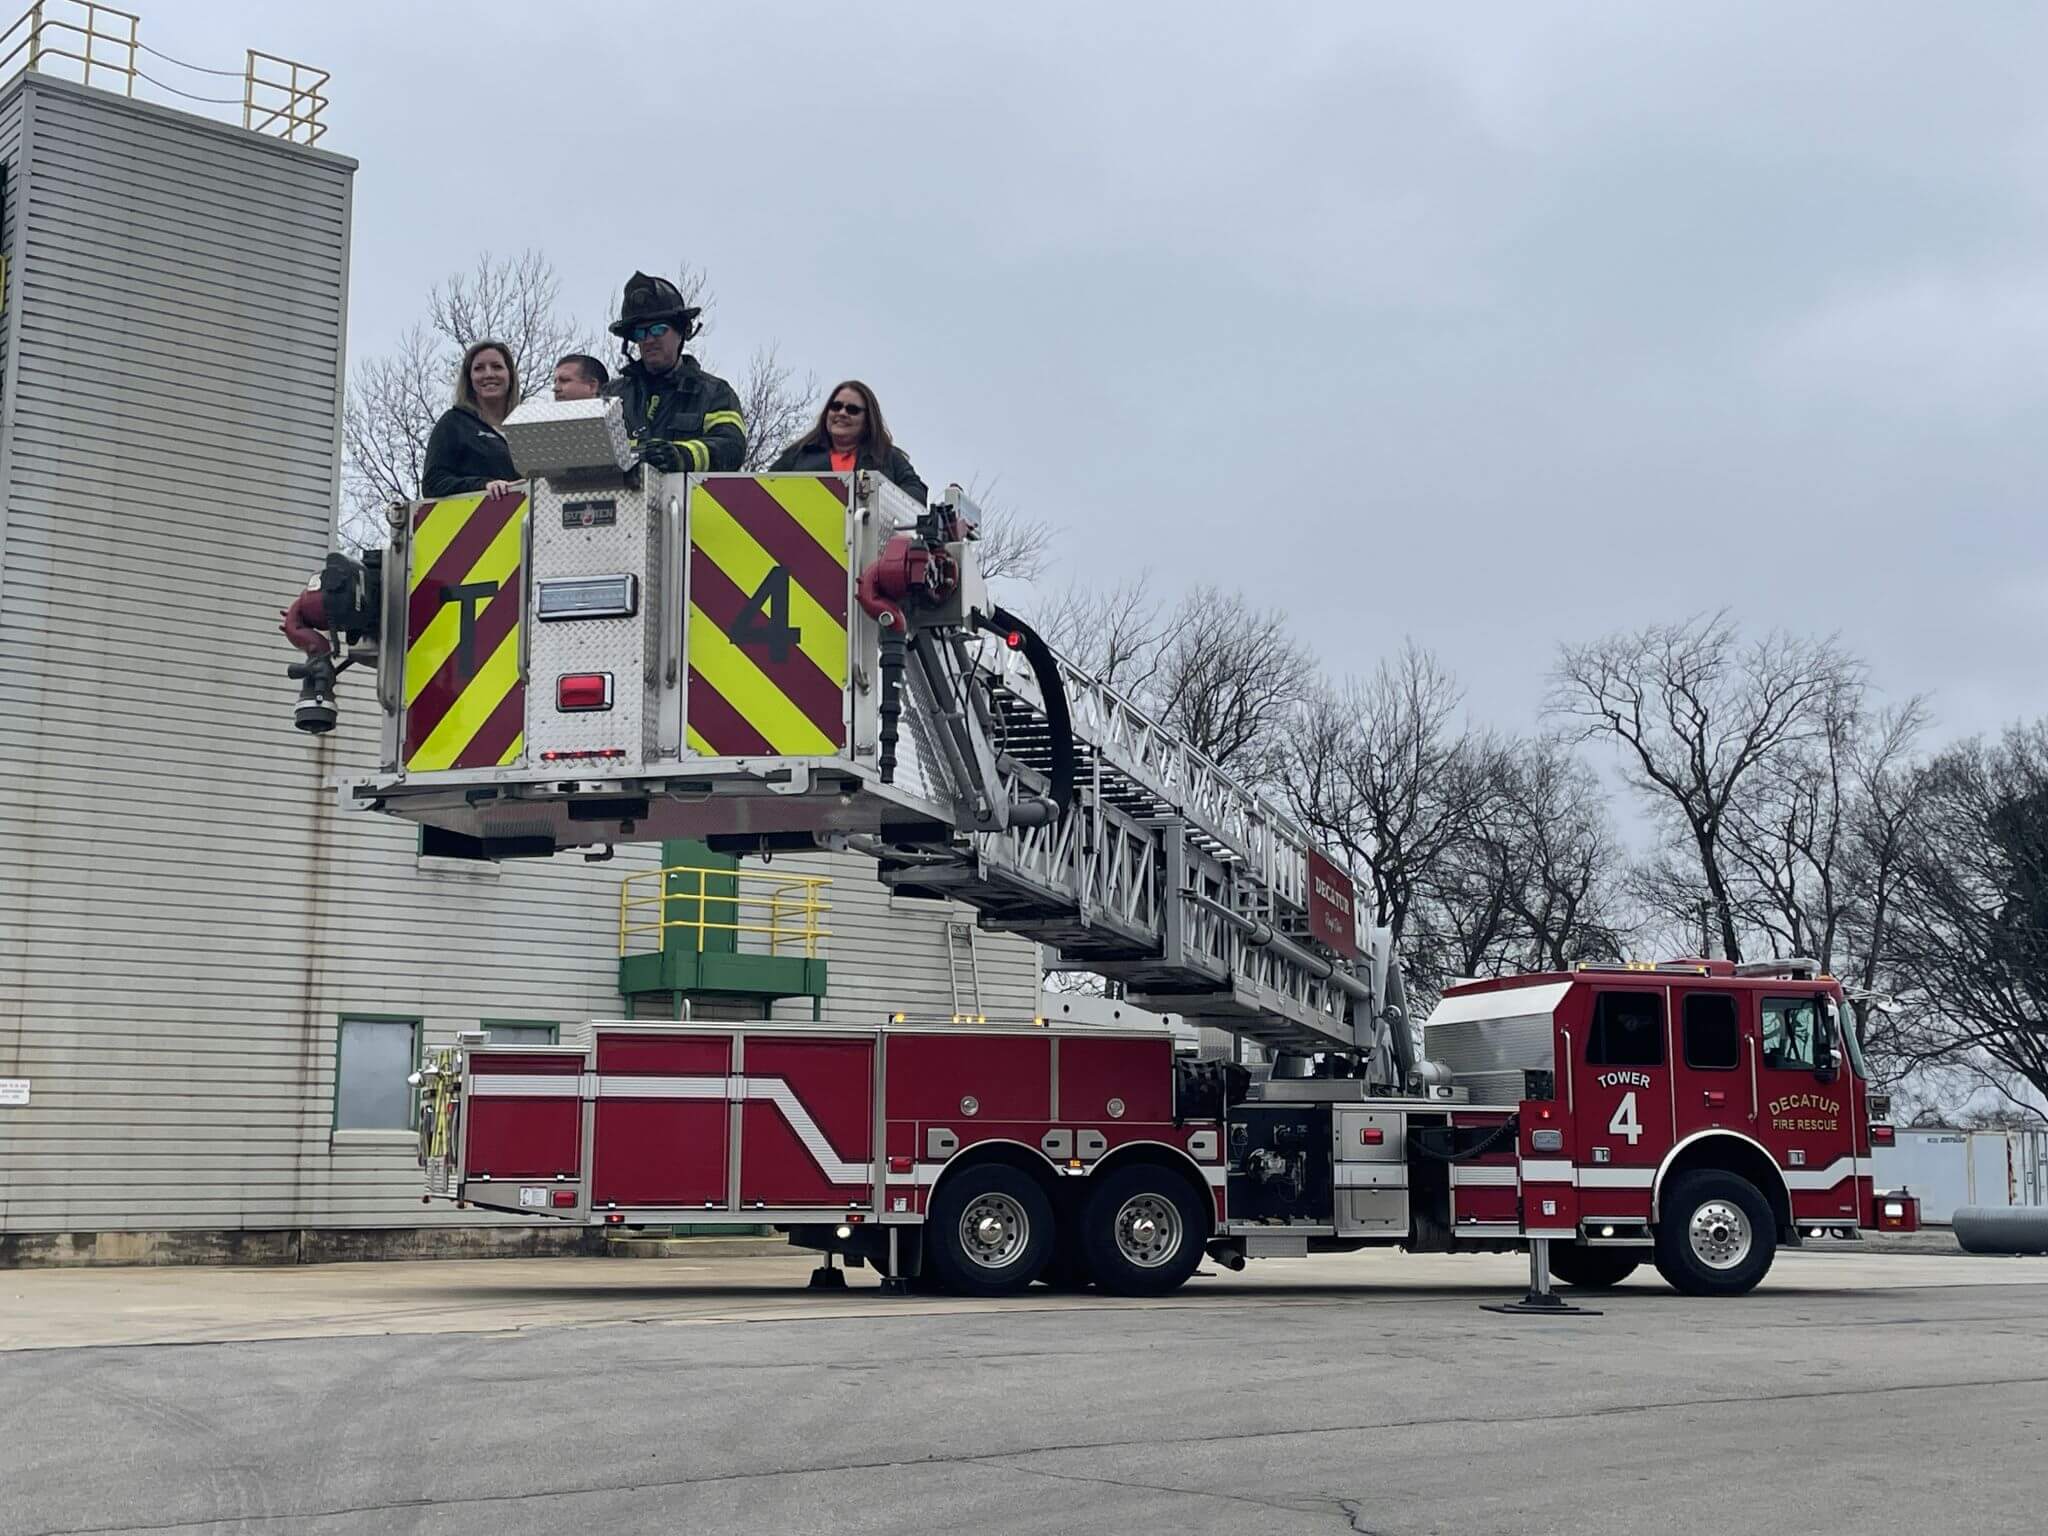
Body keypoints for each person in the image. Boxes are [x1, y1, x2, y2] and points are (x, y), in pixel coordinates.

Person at [603, 272, 746, 473]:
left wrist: (683, 456)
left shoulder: (714, 393)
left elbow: (731, 447)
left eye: (658, 329)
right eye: (640, 333)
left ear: (681, 333)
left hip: (689, 502)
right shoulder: (611, 396)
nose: (649, 339)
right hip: (625, 501)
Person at [771, 380, 928, 504]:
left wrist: (882, 501)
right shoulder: (798, 455)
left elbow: (916, 494)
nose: (842, 413)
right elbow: (765, 489)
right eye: (836, 407)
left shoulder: (888, 457)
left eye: (852, 410)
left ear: (868, 420)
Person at [421, 340, 521, 499]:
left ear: (510, 375)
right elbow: (433, 483)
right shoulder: (454, 423)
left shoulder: (525, 427)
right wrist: (483, 485)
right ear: (469, 378)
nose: (488, 374)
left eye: (497, 366)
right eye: (479, 368)